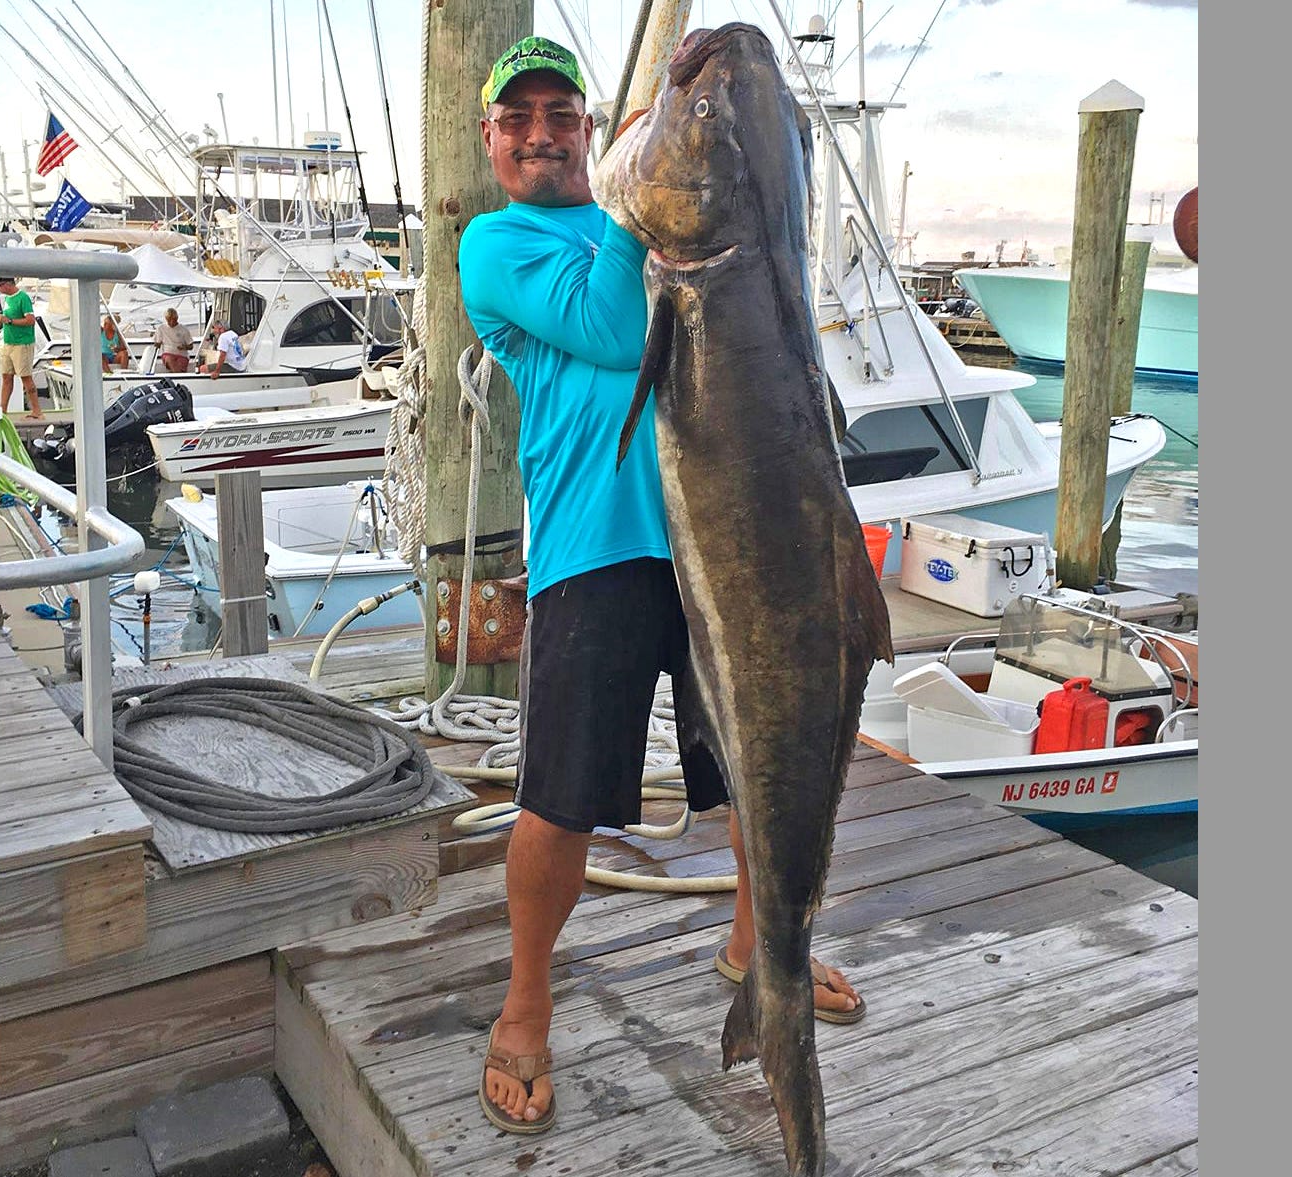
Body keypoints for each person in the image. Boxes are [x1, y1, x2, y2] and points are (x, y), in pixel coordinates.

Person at [457, 35, 864, 1138]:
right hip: (599, 549)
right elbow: (610, 323)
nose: (541, 135)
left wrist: (720, 141)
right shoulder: (498, 245)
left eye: (561, 115)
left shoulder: (651, 219)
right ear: (491, 140)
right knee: (560, 796)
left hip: (724, 542)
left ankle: (761, 948)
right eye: (518, 119)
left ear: (590, 130)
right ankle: (526, 1004)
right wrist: (656, 201)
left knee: (754, 768)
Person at [0, 276, 43, 418]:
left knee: (25, 377)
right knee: (6, 376)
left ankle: (37, 411)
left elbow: (30, 320)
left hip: (22, 343)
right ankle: (2, 411)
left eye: (0, 285)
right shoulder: (7, 299)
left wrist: (10, 321)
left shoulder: (23, 298)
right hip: (8, 342)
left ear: (8, 284)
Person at [152, 307, 194, 373]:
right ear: (166, 319)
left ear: (177, 318)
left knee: (180, 363)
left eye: (174, 320)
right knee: (169, 359)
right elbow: (157, 343)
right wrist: (156, 343)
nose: (171, 322)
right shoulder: (161, 328)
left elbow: (191, 346)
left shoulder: (184, 329)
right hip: (168, 354)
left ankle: (175, 374)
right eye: (169, 320)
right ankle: (177, 375)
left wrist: (184, 347)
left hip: (182, 355)